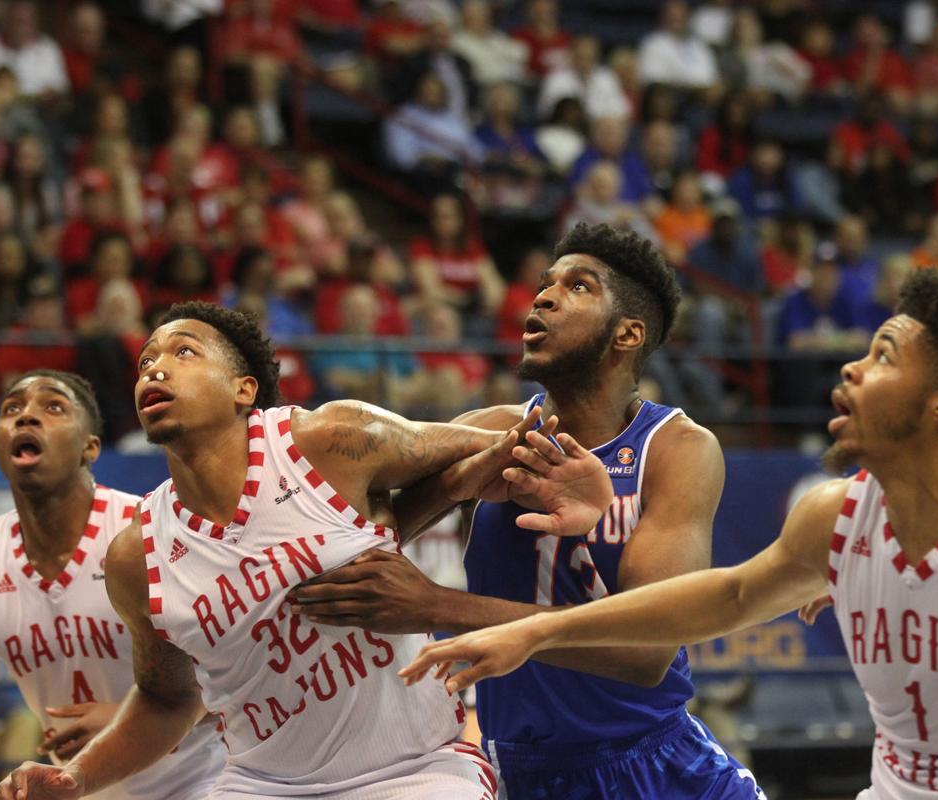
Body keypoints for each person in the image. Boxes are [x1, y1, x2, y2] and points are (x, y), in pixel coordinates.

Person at [401, 268, 938, 798]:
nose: (850, 369)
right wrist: (536, 631)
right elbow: (730, 595)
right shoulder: (835, 519)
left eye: (883, 357)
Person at [0, 302, 612, 799]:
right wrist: (77, 780)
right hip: (260, 786)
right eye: (147, 359)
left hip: (415, 770)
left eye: (183, 352)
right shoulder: (136, 556)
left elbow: (480, 436)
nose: (154, 369)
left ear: (243, 389)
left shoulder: (326, 439)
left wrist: (580, 470)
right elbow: (167, 698)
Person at [291, 223, 766, 799]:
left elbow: (648, 653)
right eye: (545, 284)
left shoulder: (676, 449)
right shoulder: (491, 430)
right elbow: (356, 535)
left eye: (578, 286)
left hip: (655, 763)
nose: (543, 297)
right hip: (520, 771)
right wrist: (455, 484)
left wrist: (436, 605)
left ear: (628, 333)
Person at [0, 369, 224, 798]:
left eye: (53, 406)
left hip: (200, 784)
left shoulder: (149, 532)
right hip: (79, 788)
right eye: (12, 409)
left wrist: (137, 718)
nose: (26, 416)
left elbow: (249, 673)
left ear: (90, 446)